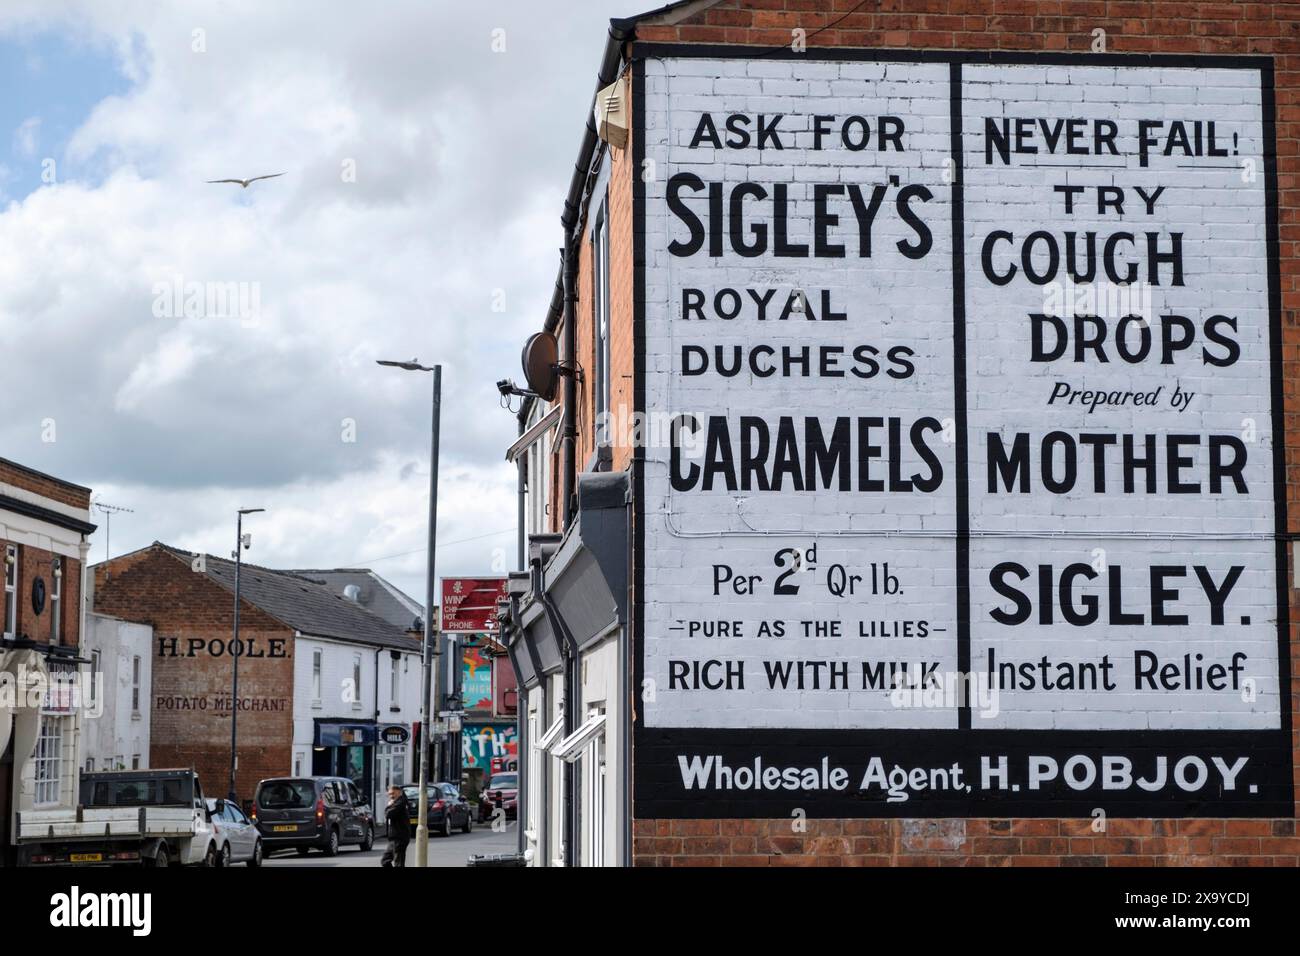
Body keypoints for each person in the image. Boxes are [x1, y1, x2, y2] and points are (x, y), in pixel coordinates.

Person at [381, 785, 411, 867]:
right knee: (385, 860)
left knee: (398, 863)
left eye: (393, 793)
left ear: (399, 793)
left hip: (399, 837)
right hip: (394, 838)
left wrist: (389, 806)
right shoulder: (397, 802)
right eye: (390, 794)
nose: (391, 796)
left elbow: (388, 814)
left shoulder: (400, 803)